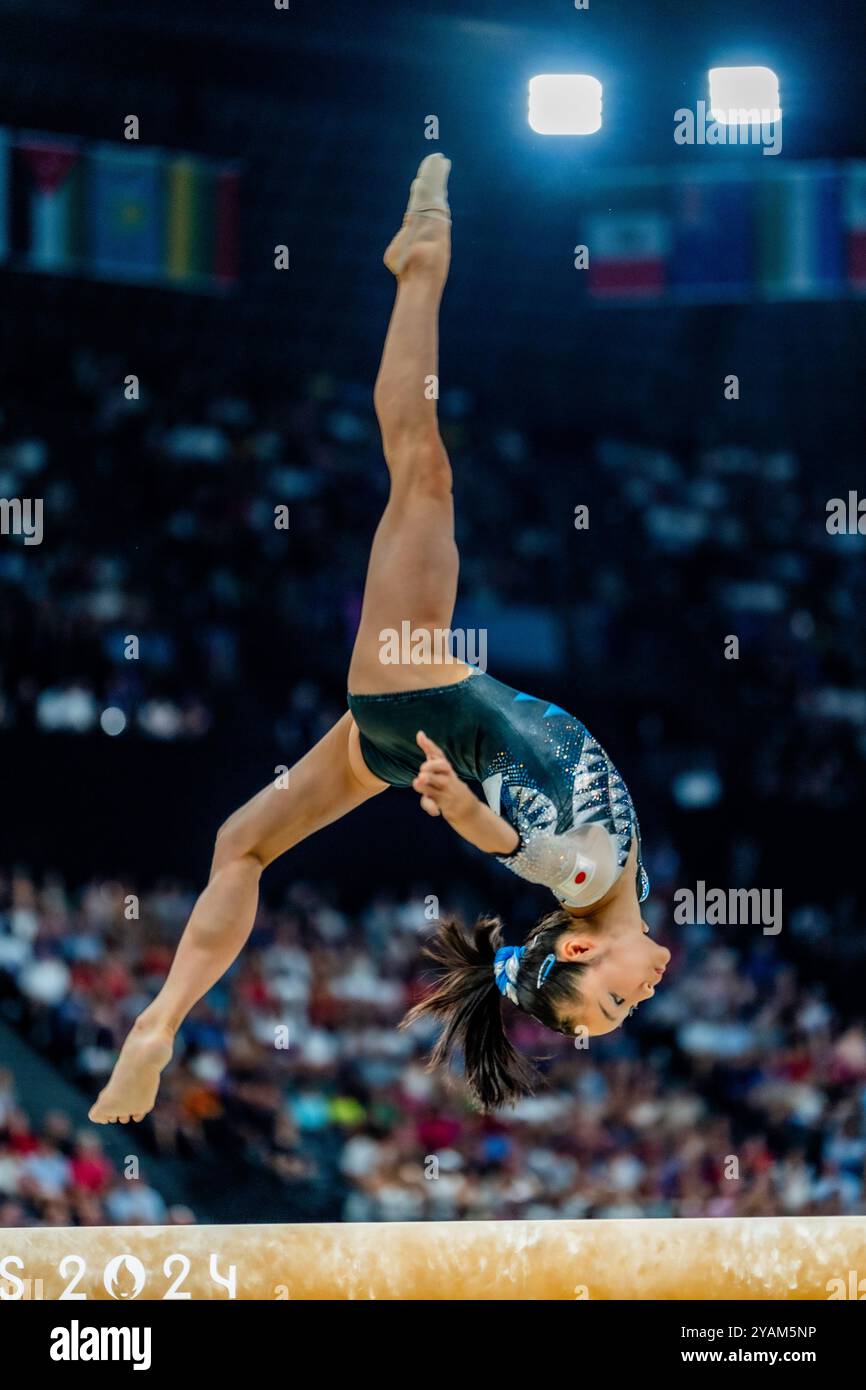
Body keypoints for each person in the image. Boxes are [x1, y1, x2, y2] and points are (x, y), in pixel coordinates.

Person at [89, 155, 669, 1121]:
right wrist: (445, 791)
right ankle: (158, 1021)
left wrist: (460, 807)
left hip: (415, 692)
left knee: (419, 463)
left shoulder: (585, 877)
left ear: (575, 946)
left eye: (612, 998)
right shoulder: (622, 879)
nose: (638, 997)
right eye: (624, 1010)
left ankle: (422, 263)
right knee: (242, 843)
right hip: (402, 738)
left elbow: (514, 843)